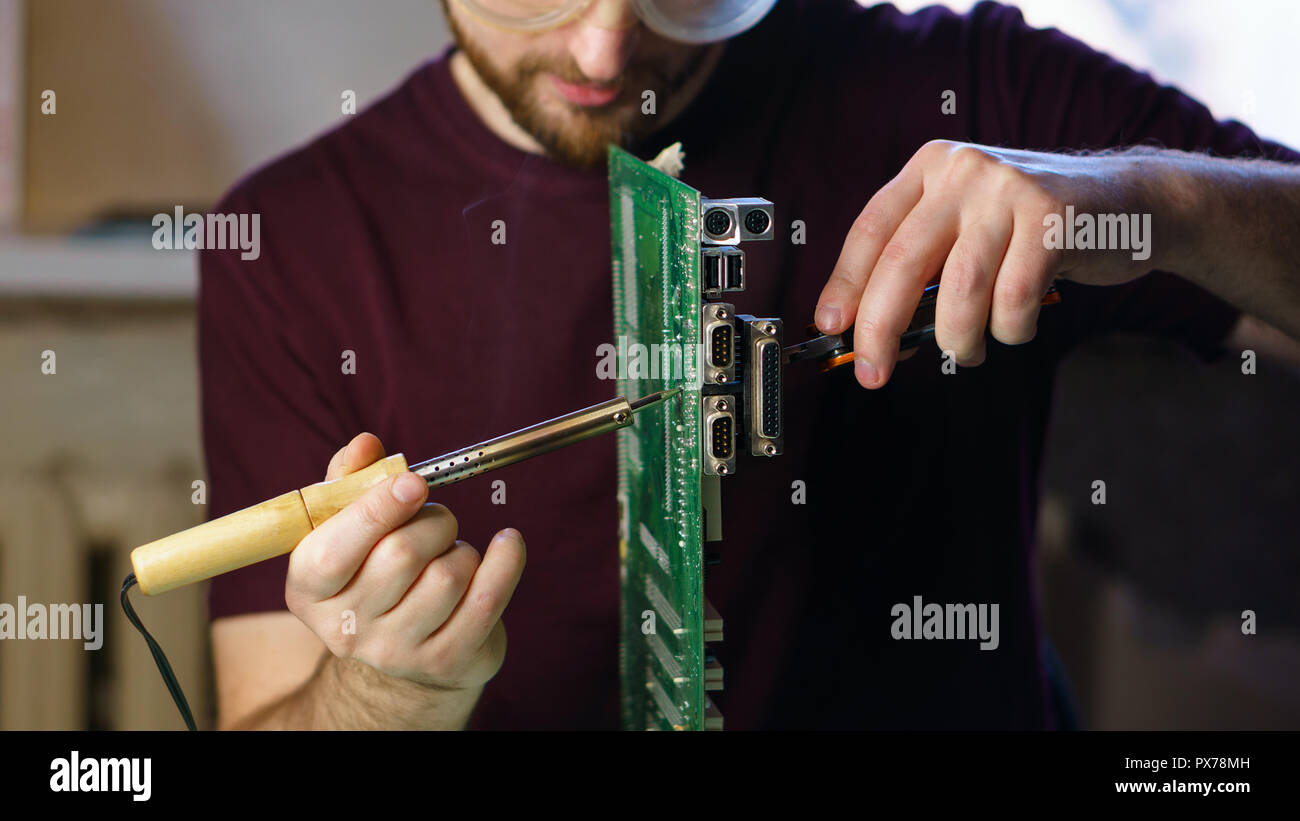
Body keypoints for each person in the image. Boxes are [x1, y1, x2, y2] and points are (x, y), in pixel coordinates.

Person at [202, 0, 1300, 729]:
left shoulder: (972, 85)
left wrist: (1149, 205)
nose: (602, 52)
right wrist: (381, 689)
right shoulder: (289, 240)